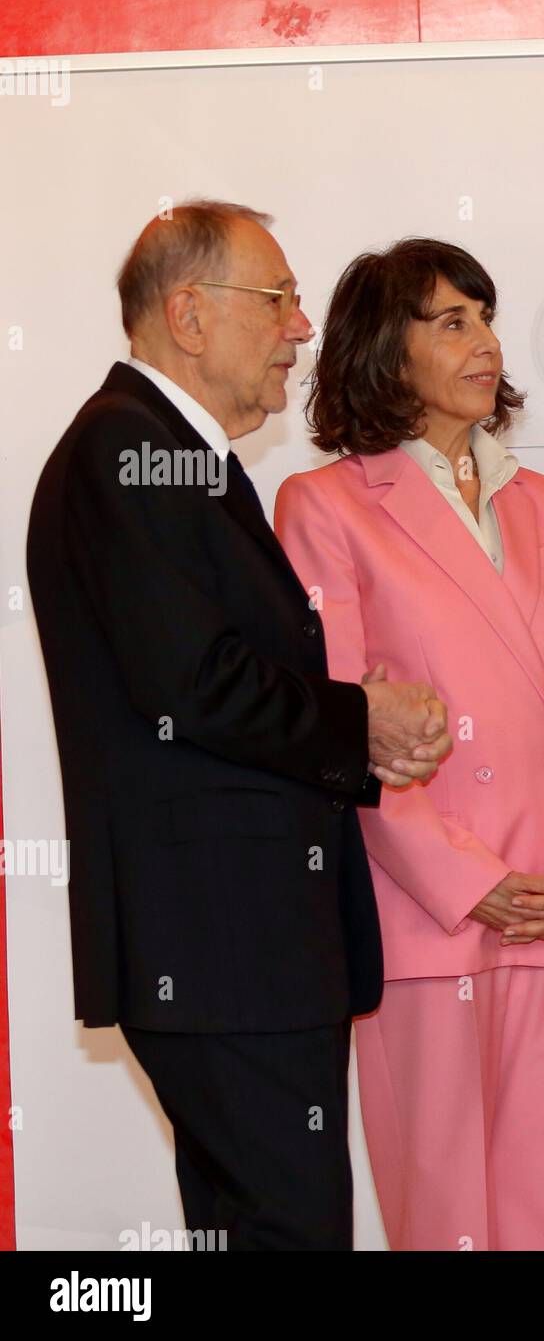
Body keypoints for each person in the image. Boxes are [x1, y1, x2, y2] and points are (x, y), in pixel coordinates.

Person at [26, 200, 452, 1250]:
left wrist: (353, 725)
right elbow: (193, 684)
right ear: (187, 314)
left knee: (251, 1228)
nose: (301, 328)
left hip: (232, 942)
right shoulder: (130, 450)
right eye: (279, 299)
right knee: (289, 1228)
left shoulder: (168, 451)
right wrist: (363, 719)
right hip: (223, 940)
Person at [275, 237, 544, 1252]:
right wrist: (465, 878)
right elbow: (338, 723)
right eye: (451, 321)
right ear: (384, 354)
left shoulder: (540, 503)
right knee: (447, 1213)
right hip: (426, 915)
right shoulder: (324, 507)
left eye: (483, 315)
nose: (484, 341)